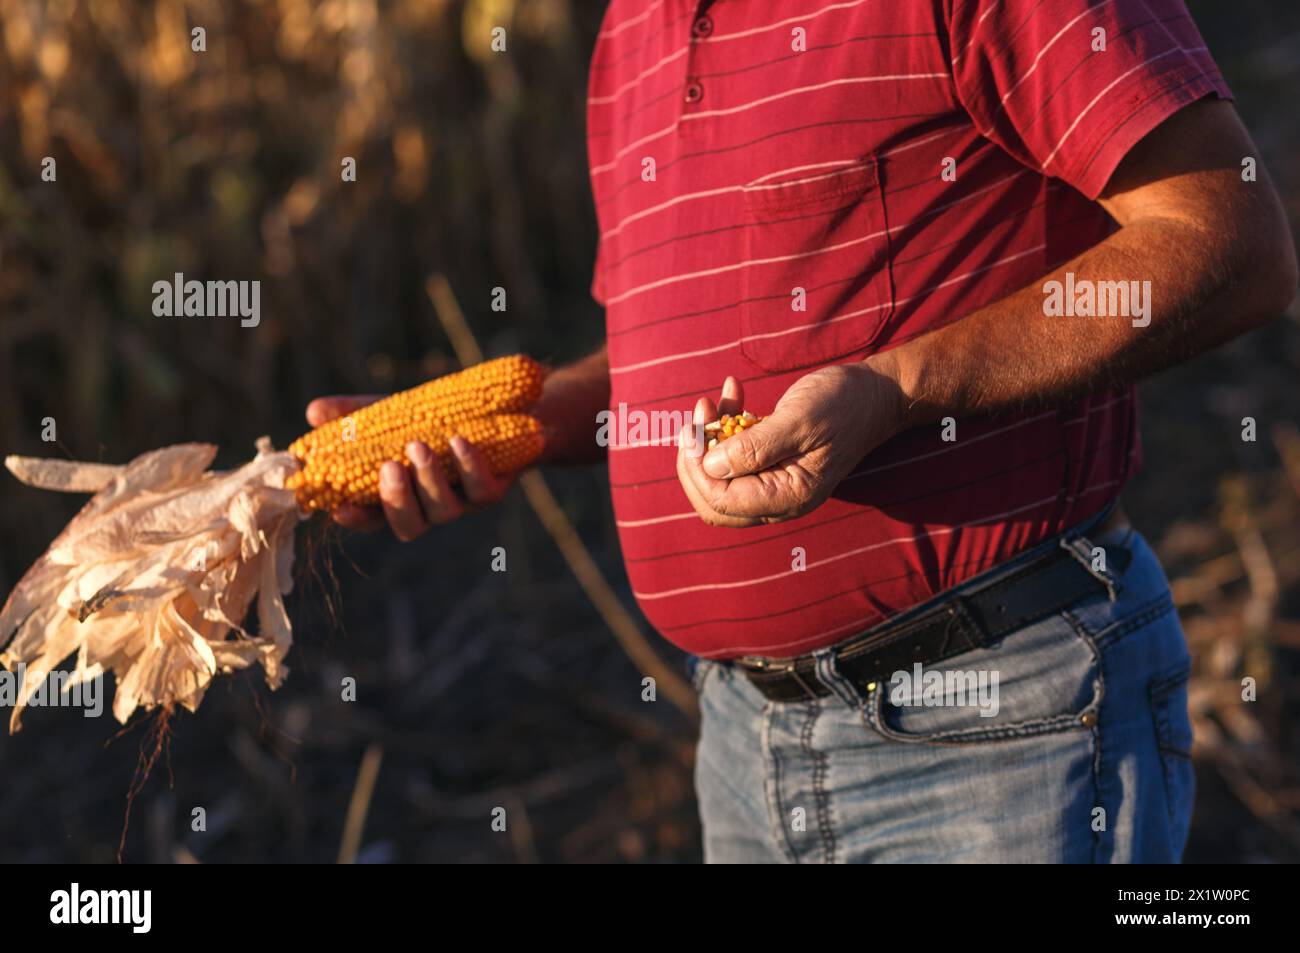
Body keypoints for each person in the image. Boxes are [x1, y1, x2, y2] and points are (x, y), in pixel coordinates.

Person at [304, 0, 1296, 862]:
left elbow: (1227, 239)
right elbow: (682, 350)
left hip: (1002, 720)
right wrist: (498, 429)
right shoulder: (629, 32)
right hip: (742, 738)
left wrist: (896, 390)